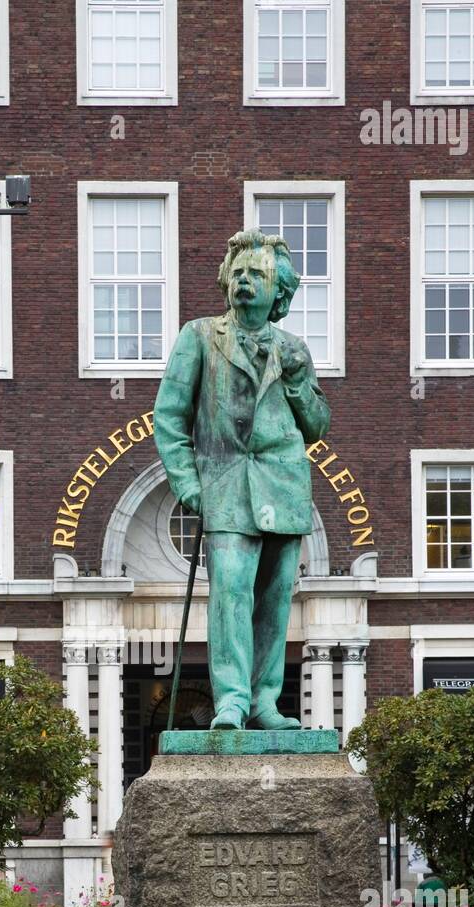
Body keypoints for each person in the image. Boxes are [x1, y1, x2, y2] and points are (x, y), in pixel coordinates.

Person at [154, 229, 331, 730]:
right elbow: (168, 417)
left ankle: (264, 702)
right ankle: (231, 700)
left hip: (284, 488)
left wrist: (297, 381)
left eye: (258, 275)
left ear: (280, 292)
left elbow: (316, 426)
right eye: (239, 274)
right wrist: (188, 484)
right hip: (225, 486)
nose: (246, 282)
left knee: (276, 600)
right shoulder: (199, 336)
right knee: (231, 590)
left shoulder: (294, 349)